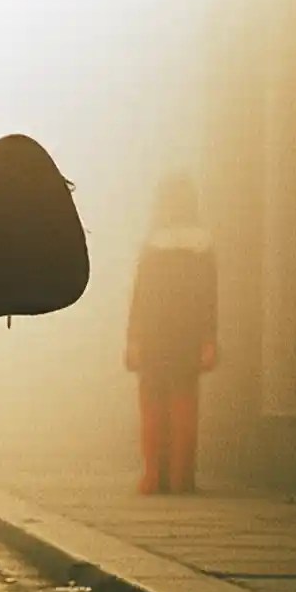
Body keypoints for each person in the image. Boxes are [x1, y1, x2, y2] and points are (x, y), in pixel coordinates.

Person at [125, 174, 218, 495]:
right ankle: (182, 478)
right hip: (187, 337)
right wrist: (208, 339)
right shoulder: (203, 248)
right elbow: (209, 298)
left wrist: (133, 338)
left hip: (153, 333)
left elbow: (140, 297)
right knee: (184, 406)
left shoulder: (151, 247)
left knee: (152, 407)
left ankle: (153, 477)